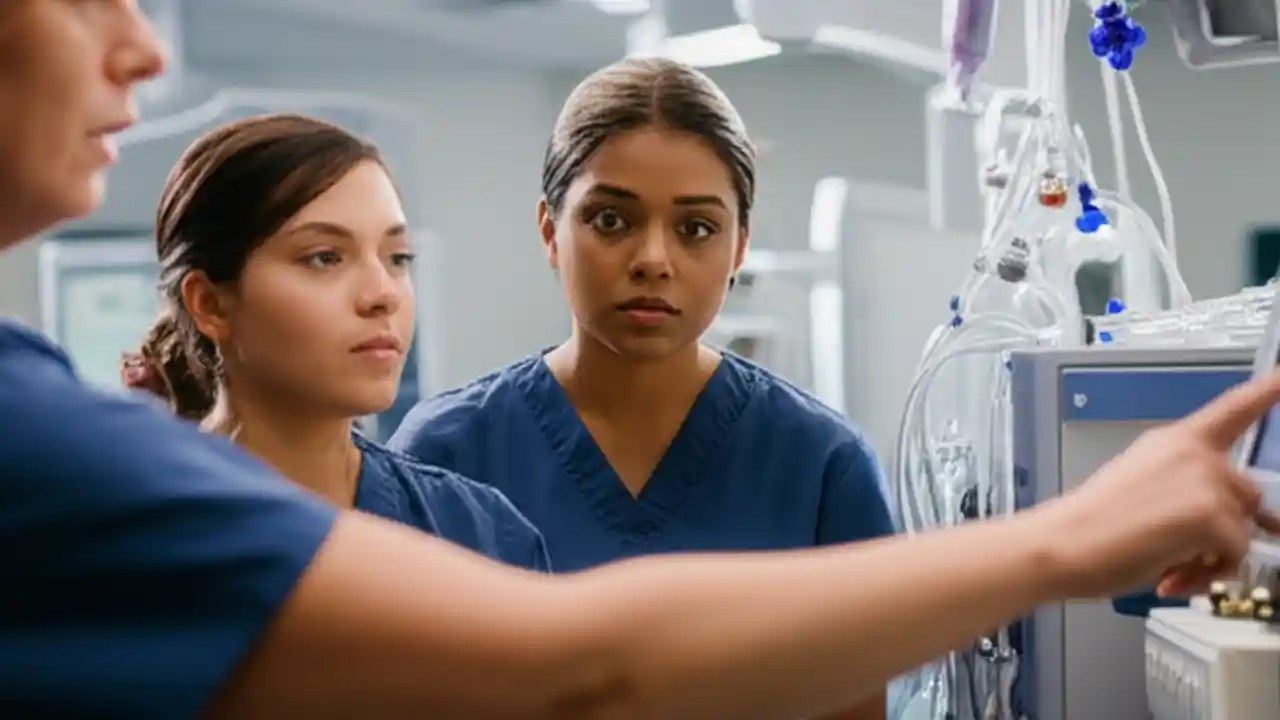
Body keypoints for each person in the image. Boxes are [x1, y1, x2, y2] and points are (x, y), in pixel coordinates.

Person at [1, 2, 1278, 718]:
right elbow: (582, 665)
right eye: (323, 258)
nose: (144, 44)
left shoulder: (475, 518)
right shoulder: (73, 462)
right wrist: (1067, 540)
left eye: (393, 256)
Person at [387, 57, 897, 716]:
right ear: (550, 230)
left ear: (739, 247)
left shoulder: (822, 469)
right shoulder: (443, 457)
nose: (653, 260)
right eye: (610, 220)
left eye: (696, 229)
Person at [118, 113, 549, 572]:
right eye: (324, 258)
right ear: (211, 304)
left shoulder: (479, 533)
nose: (382, 293)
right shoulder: (126, 541)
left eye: (397, 257)